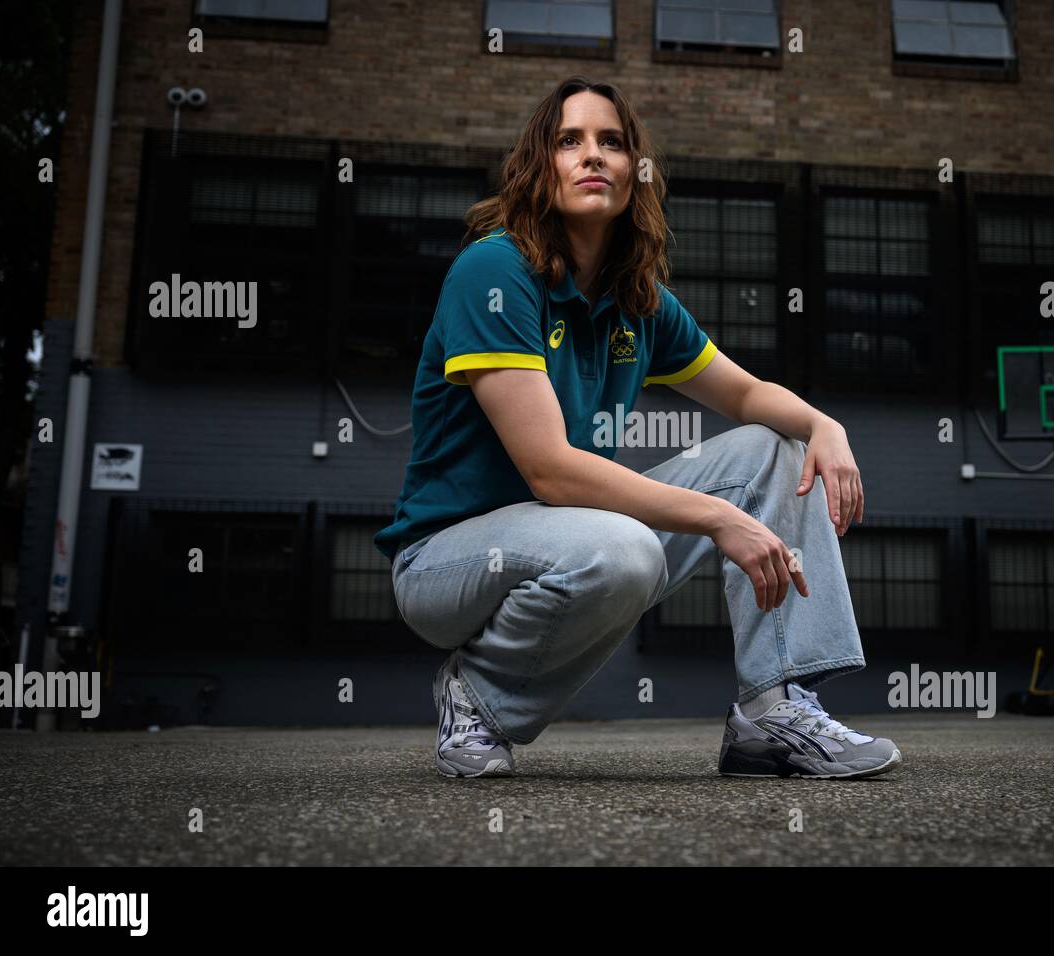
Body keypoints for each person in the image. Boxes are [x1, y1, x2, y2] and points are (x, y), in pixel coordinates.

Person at [375, 75, 901, 780]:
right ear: (541, 166)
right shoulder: (493, 272)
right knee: (623, 548)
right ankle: (476, 698)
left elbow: (744, 393)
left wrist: (823, 424)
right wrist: (718, 518)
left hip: (572, 535)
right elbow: (549, 470)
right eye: (570, 141)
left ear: (634, 170)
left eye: (612, 142)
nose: (593, 156)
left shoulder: (637, 298)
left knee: (775, 448)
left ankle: (772, 710)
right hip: (448, 564)